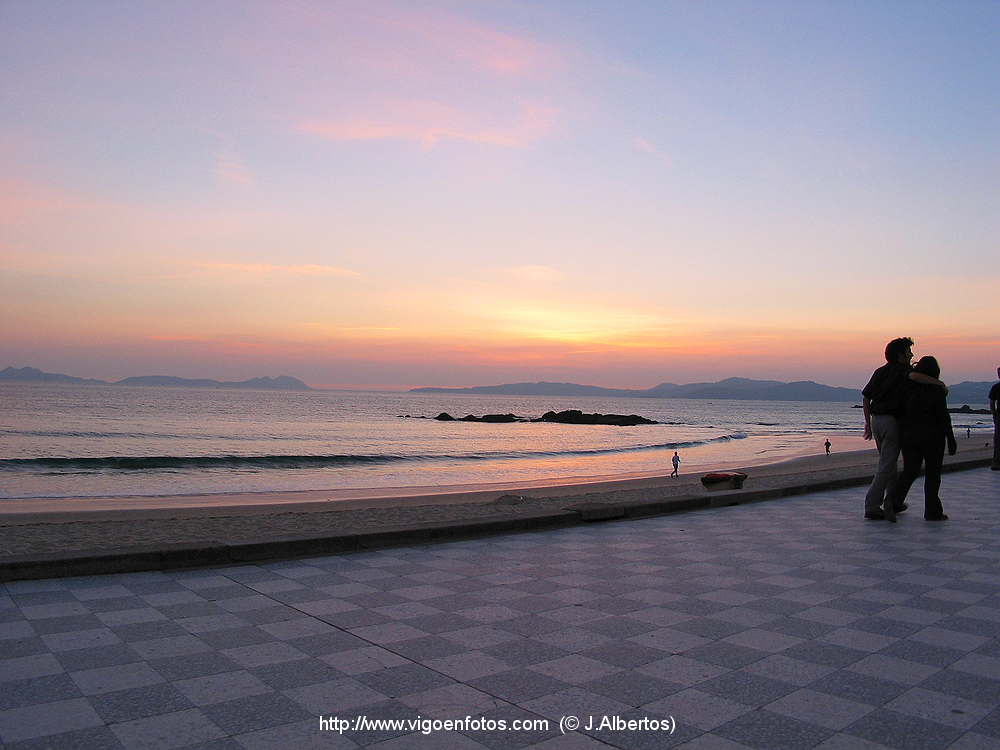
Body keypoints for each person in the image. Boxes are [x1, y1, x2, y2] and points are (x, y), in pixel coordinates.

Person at [861, 337, 946, 521]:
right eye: (908, 352)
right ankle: (872, 505)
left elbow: (866, 398)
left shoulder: (880, 371)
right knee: (887, 465)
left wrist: (868, 423)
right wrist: (939, 384)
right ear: (900, 355)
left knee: (889, 464)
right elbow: (915, 376)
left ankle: (893, 502)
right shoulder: (904, 371)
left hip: (877, 421)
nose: (912, 355)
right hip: (891, 421)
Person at [892, 356, 957, 520]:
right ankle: (932, 511)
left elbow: (899, 411)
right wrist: (951, 439)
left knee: (910, 471)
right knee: (933, 474)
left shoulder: (907, 387)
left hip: (910, 436)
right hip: (933, 437)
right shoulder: (937, 391)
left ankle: (894, 502)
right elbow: (944, 417)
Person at [991, 367, 1000, 470]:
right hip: (998, 416)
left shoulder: (996, 387)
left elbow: (992, 402)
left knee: (998, 439)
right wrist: (994, 414)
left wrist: (994, 414)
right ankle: (996, 461)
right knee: (997, 439)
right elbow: (992, 402)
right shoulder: (996, 387)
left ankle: (996, 462)